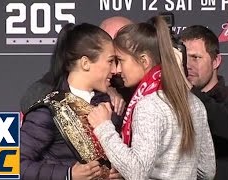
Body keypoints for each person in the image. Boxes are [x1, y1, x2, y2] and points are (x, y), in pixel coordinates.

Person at [87, 16, 216, 179]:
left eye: (120, 60)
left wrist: (104, 127)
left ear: (144, 60)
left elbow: (137, 173)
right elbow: (207, 171)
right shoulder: (195, 103)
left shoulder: (149, 105)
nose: (117, 70)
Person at [20, 23, 123, 180]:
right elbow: (13, 164)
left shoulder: (111, 105)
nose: (115, 70)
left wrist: (118, 171)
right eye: (110, 61)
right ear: (85, 63)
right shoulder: (48, 111)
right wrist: (68, 174)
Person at [179, 25, 228, 180]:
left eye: (196, 58)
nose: (188, 66)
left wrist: (189, 92)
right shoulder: (171, 100)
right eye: (184, 58)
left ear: (216, 61)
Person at [20, 16, 132, 115]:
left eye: (120, 59)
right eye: (111, 60)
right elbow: (31, 103)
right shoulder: (50, 89)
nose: (116, 70)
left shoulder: (134, 87)